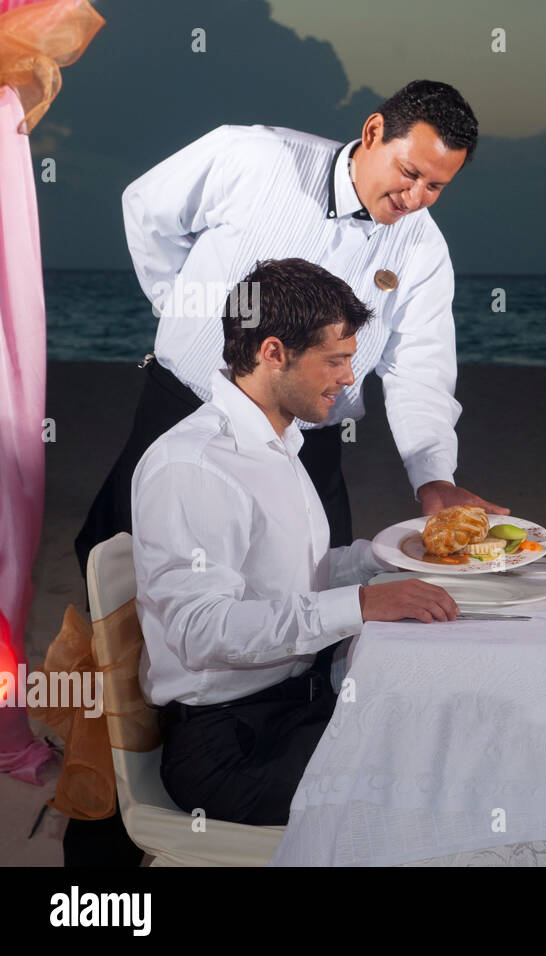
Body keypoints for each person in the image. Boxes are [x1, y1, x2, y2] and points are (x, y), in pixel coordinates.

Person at [76, 78, 504, 579]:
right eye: (409, 173)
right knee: (120, 576)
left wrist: (432, 477)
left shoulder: (424, 251)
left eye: (435, 187)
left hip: (305, 444)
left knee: (319, 590)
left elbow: (419, 371)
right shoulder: (255, 156)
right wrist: (180, 307)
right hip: (183, 410)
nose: (415, 198)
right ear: (373, 132)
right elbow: (147, 208)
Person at [132, 258, 460, 826]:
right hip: (230, 748)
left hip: (294, 707)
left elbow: (289, 579)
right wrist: (359, 606)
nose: (349, 378)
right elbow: (200, 632)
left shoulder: (276, 441)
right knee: (430, 789)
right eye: (335, 361)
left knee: (454, 730)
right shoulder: (195, 463)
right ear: (273, 352)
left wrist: (394, 555)